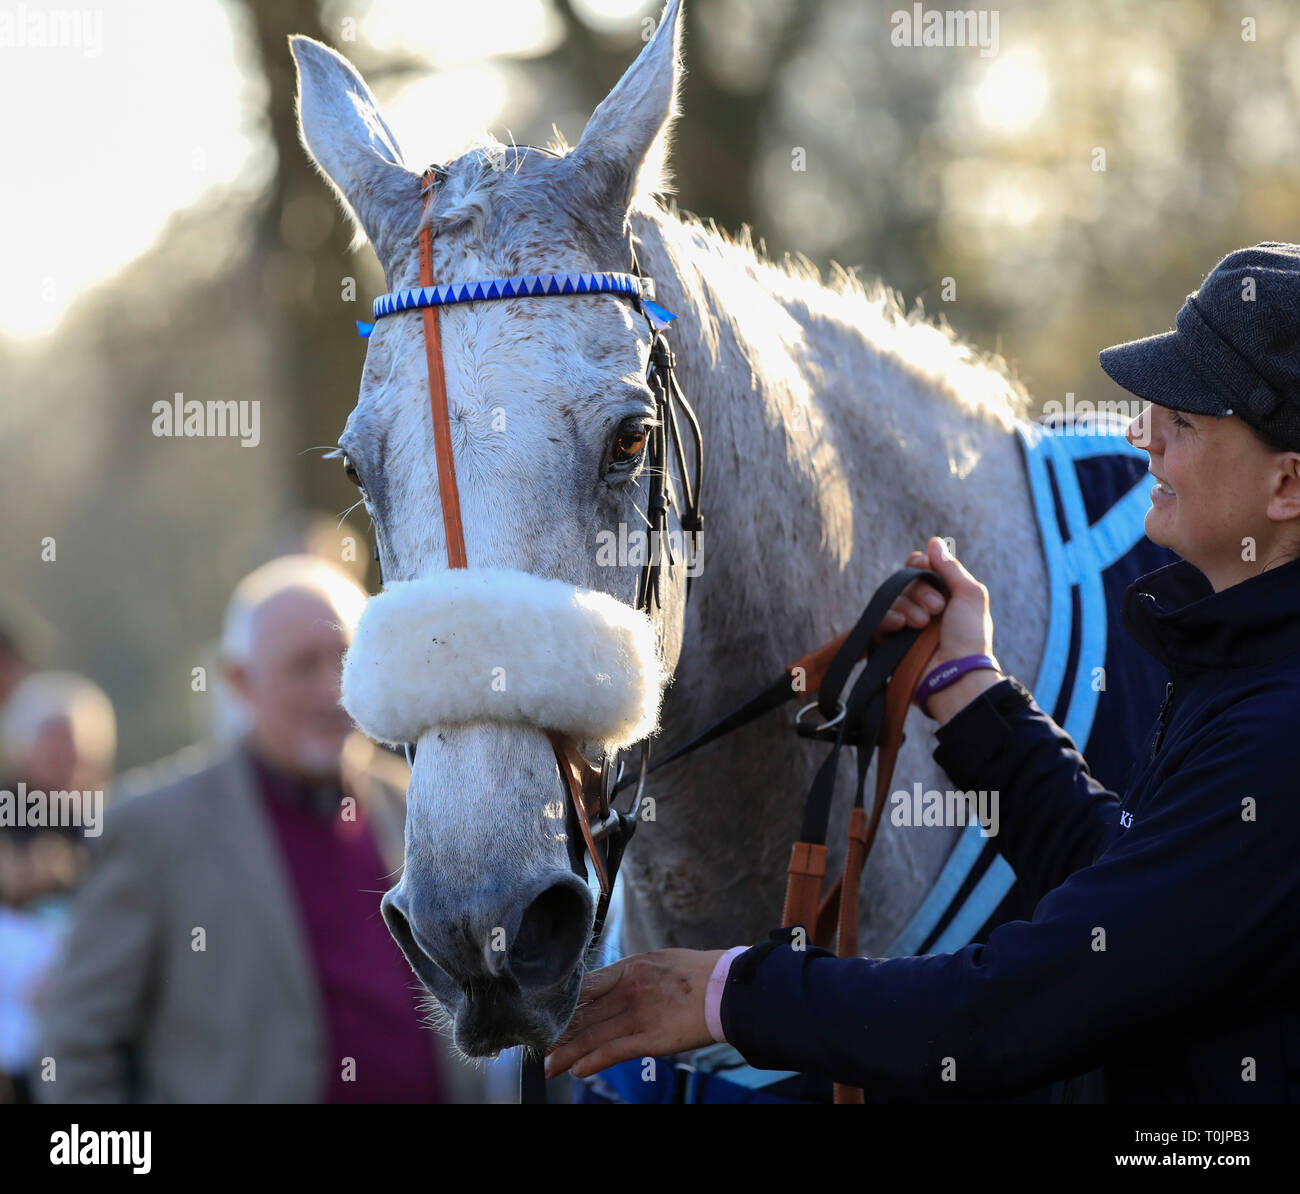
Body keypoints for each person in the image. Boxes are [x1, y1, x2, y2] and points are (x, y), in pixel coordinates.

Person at [544, 242, 1300, 1103]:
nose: (1142, 435)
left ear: (1287, 487)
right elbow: (1125, 883)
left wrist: (724, 994)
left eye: (1188, 423)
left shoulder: (1277, 733)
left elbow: (1027, 1004)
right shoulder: (1254, 674)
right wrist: (967, 686)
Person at [34, 555, 483, 1103]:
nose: (330, 691)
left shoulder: (422, 804)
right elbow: (76, 1046)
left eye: (346, 661)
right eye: (302, 665)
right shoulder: (152, 829)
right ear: (239, 681)